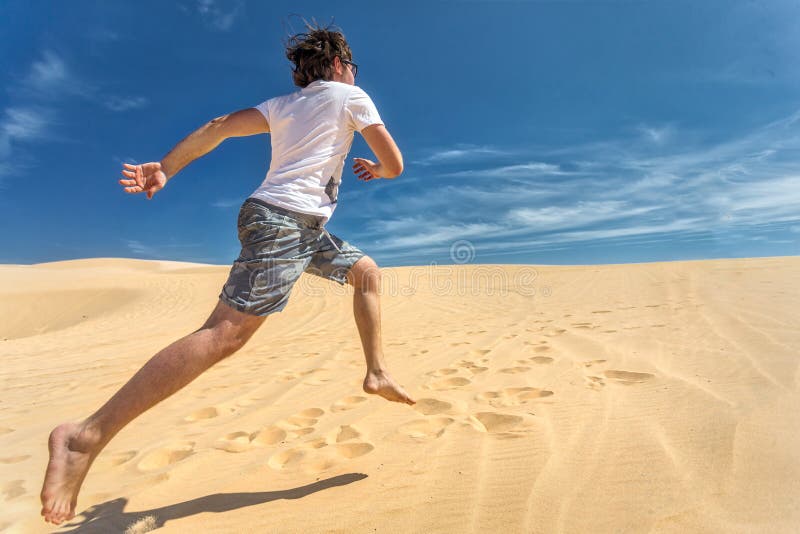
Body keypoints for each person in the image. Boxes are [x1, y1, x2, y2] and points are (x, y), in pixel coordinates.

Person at [40, 22, 415, 526]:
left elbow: (218, 126)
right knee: (223, 335)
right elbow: (395, 163)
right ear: (336, 65)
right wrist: (379, 169)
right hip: (286, 222)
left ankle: (377, 371)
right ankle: (84, 437)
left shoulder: (282, 106)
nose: (354, 73)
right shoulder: (351, 96)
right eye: (352, 65)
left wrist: (167, 166)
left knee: (365, 272)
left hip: (292, 224)